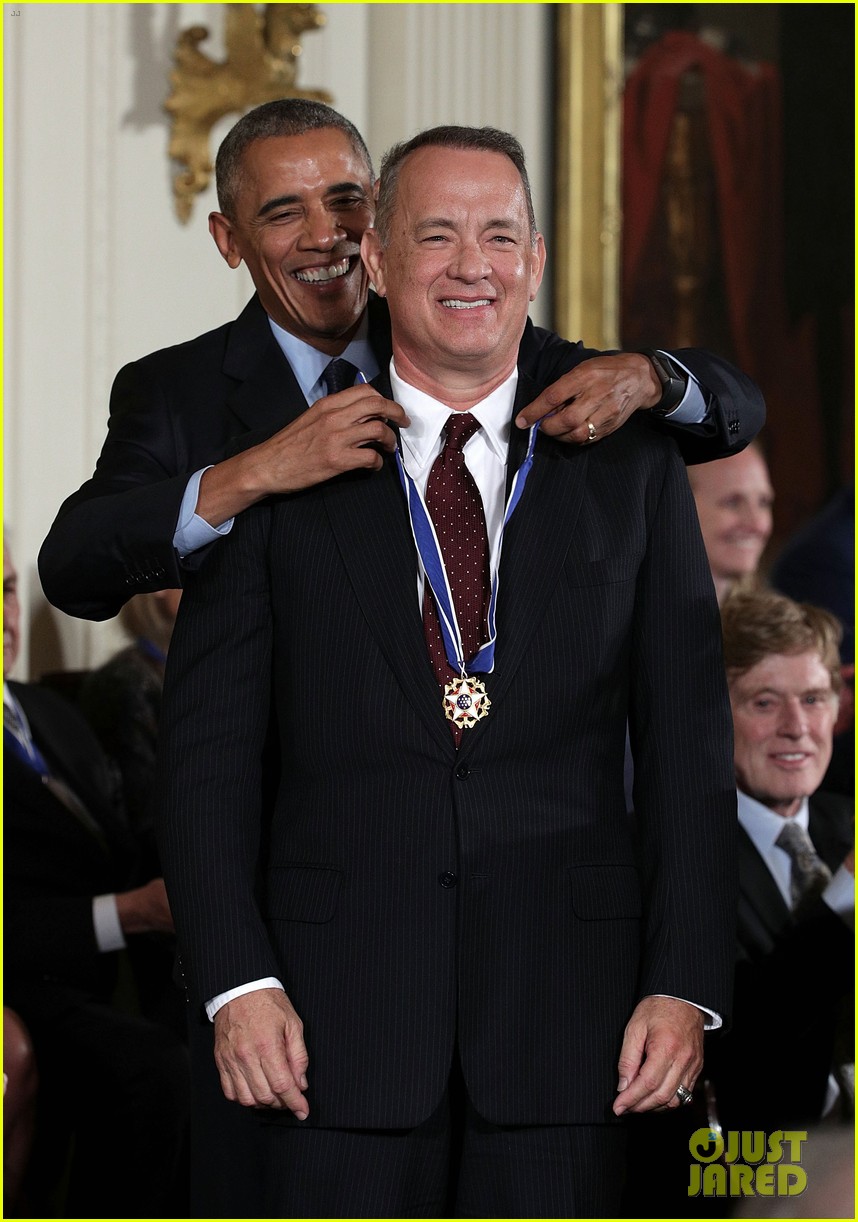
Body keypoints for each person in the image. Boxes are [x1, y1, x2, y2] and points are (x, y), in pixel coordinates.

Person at [155, 124, 738, 1218]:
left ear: (537, 261)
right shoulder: (282, 463)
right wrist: (236, 981)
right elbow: (206, 759)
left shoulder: (631, 463)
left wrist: (684, 982)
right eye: (436, 235)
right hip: (324, 1036)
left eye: (500, 235)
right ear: (376, 260)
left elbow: (689, 750)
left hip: (577, 1033)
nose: (474, 265)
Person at [37, 99, 765, 625]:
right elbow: (73, 568)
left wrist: (652, 376)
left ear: (381, 219)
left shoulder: (459, 328)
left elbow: (735, 411)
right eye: (284, 213)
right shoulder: (174, 390)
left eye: (346, 202)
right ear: (229, 240)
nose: (327, 237)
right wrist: (256, 471)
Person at [3, 541, 190, 1217]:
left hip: (114, 967)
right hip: (25, 982)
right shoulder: (117, 688)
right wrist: (130, 913)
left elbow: (127, 843)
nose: (5, 616)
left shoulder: (47, 710)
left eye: (6, 589)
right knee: (156, 1069)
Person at [706, 587, 853, 1134]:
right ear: (713, 711)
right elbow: (747, 1044)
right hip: (755, 1165)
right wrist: (846, 893)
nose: (797, 727)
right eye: (765, 703)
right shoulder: (677, 857)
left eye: (813, 699)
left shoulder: (848, 823)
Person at [78, 588, 182, 874]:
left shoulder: (185, 669)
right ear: (159, 587)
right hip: (157, 879)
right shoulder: (123, 684)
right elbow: (145, 821)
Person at [687, 440, 774, 604]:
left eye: (763, 502)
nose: (757, 524)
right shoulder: (645, 613)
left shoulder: (767, 616)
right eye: (733, 502)